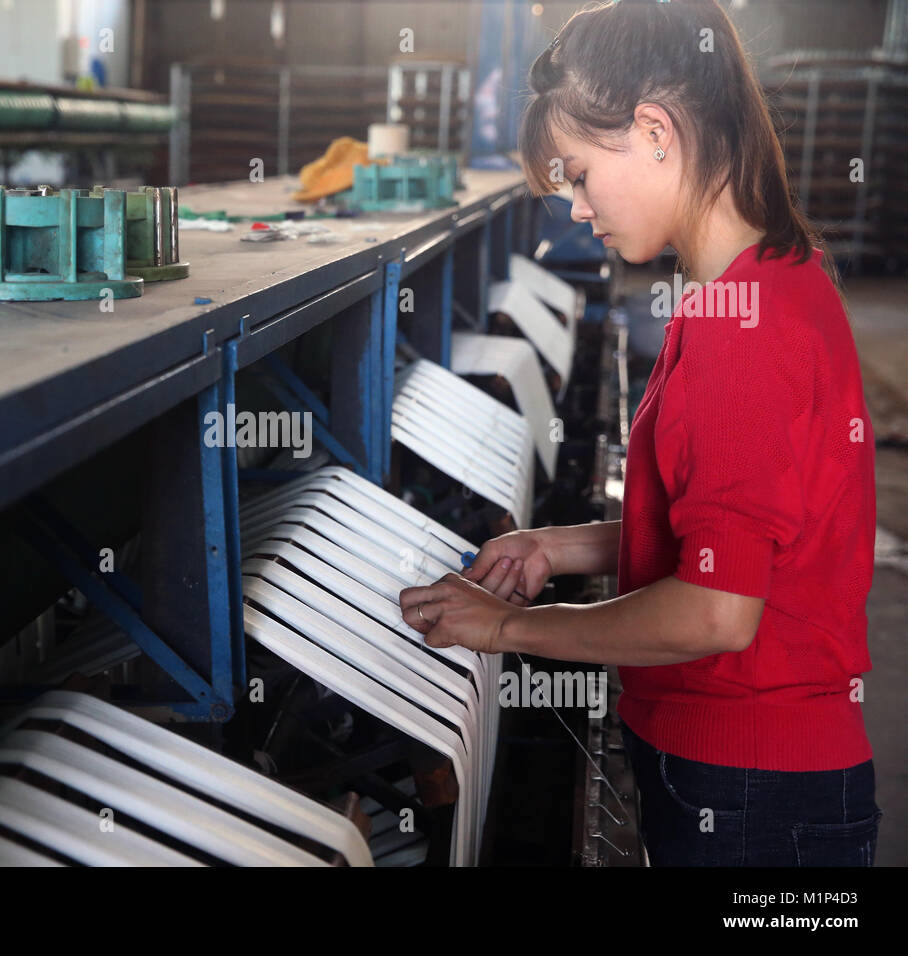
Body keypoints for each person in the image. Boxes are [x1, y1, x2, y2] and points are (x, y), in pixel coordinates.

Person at [398, 0, 880, 866]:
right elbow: (728, 535)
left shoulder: (743, 332)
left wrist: (506, 632)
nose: (577, 210)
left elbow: (716, 610)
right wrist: (559, 548)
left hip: (750, 801)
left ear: (654, 130)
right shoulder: (765, 285)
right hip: (757, 782)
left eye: (580, 175)